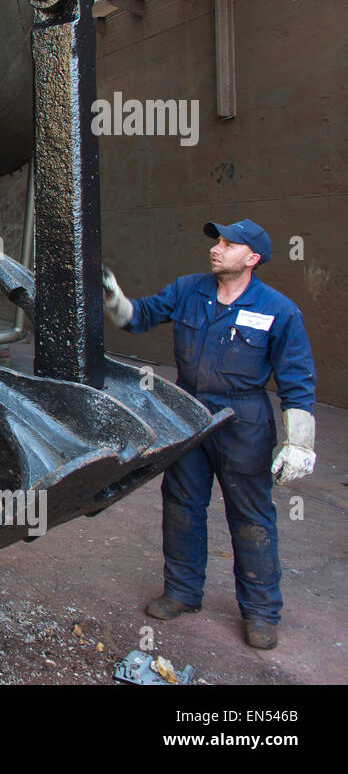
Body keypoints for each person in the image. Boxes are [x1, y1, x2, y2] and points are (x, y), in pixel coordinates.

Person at [102, 219, 316, 649]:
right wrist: (114, 297)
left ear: (251, 258)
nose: (217, 249)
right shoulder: (188, 290)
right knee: (181, 504)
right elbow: (139, 318)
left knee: (251, 516)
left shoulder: (279, 309)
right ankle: (182, 593)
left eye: (228, 244)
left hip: (244, 421)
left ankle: (260, 613)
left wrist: (299, 443)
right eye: (217, 241)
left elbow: (297, 380)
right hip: (189, 414)